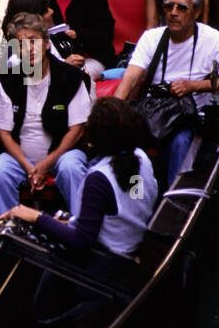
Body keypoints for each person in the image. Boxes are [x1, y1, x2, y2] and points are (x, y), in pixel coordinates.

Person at [115, 0, 219, 185]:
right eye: (168, 7)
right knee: (124, 139)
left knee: (181, 141)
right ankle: (131, 195)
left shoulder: (211, 39)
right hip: (153, 114)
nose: (173, 13)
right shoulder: (151, 38)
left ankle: (173, 194)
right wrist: (113, 110)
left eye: (181, 7)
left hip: (188, 117)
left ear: (197, 12)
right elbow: (130, 78)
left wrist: (193, 86)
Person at [9, 97, 157, 257]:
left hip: (105, 260)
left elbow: (81, 241)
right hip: (131, 245)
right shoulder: (141, 158)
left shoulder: (99, 179)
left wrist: (38, 217)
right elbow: (132, 203)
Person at [0, 13, 90, 215]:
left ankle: (79, 228)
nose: (29, 49)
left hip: (62, 154)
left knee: (72, 169)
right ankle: (10, 229)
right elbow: (4, 133)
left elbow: (77, 129)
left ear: (47, 44)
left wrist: (46, 163)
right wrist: (28, 166)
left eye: (33, 41)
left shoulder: (70, 77)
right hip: (20, 158)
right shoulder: (9, 80)